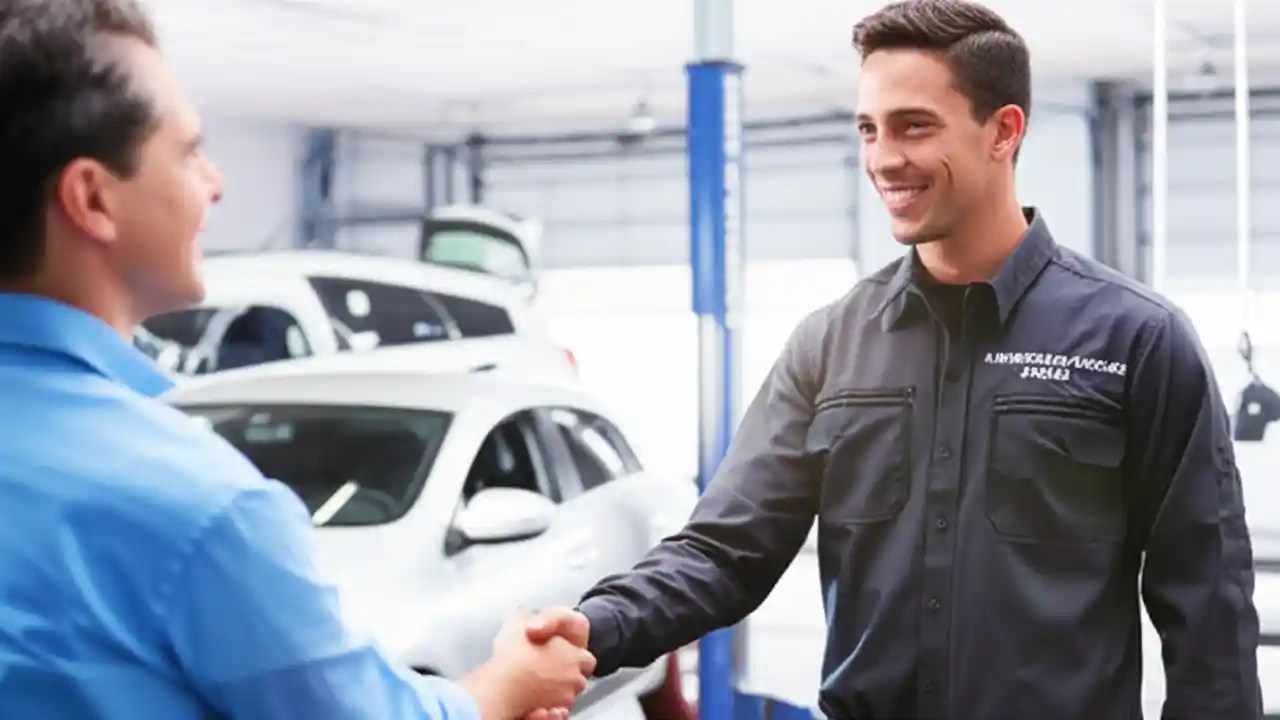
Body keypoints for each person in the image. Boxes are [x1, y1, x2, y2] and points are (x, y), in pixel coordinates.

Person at [525, 1, 1264, 718]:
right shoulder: (830, 343)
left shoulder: (1134, 340)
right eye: (869, 130)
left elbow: (1207, 603)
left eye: (914, 127)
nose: (884, 159)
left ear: (1004, 131)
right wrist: (595, 627)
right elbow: (726, 550)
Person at [0, 2, 590, 718]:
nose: (214, 182)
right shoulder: (198, 508)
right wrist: (506, 686)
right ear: (92, 197)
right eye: (188, 153)